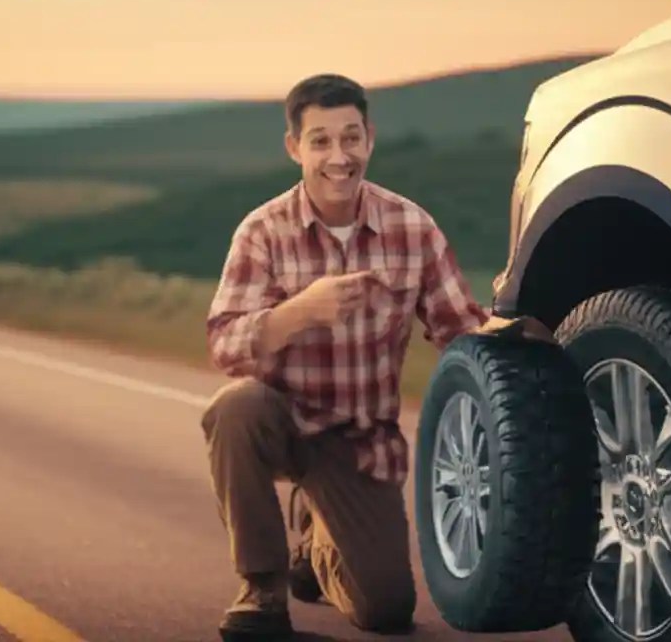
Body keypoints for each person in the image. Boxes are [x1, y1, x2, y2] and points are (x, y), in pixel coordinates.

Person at [200, 73, 491, 640]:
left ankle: (316, 541)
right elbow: (224, 344)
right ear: (294, 148)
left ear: (370, 140)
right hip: (280, 421)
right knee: (234, 408)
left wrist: (516, 339)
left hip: (359, 443)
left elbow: (460, 328)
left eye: (351, 138)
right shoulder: (262, 231)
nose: (339, 157)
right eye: (321, 141)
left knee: (387, 611)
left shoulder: (412, 227)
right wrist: (298, 313)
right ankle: (262, 585)